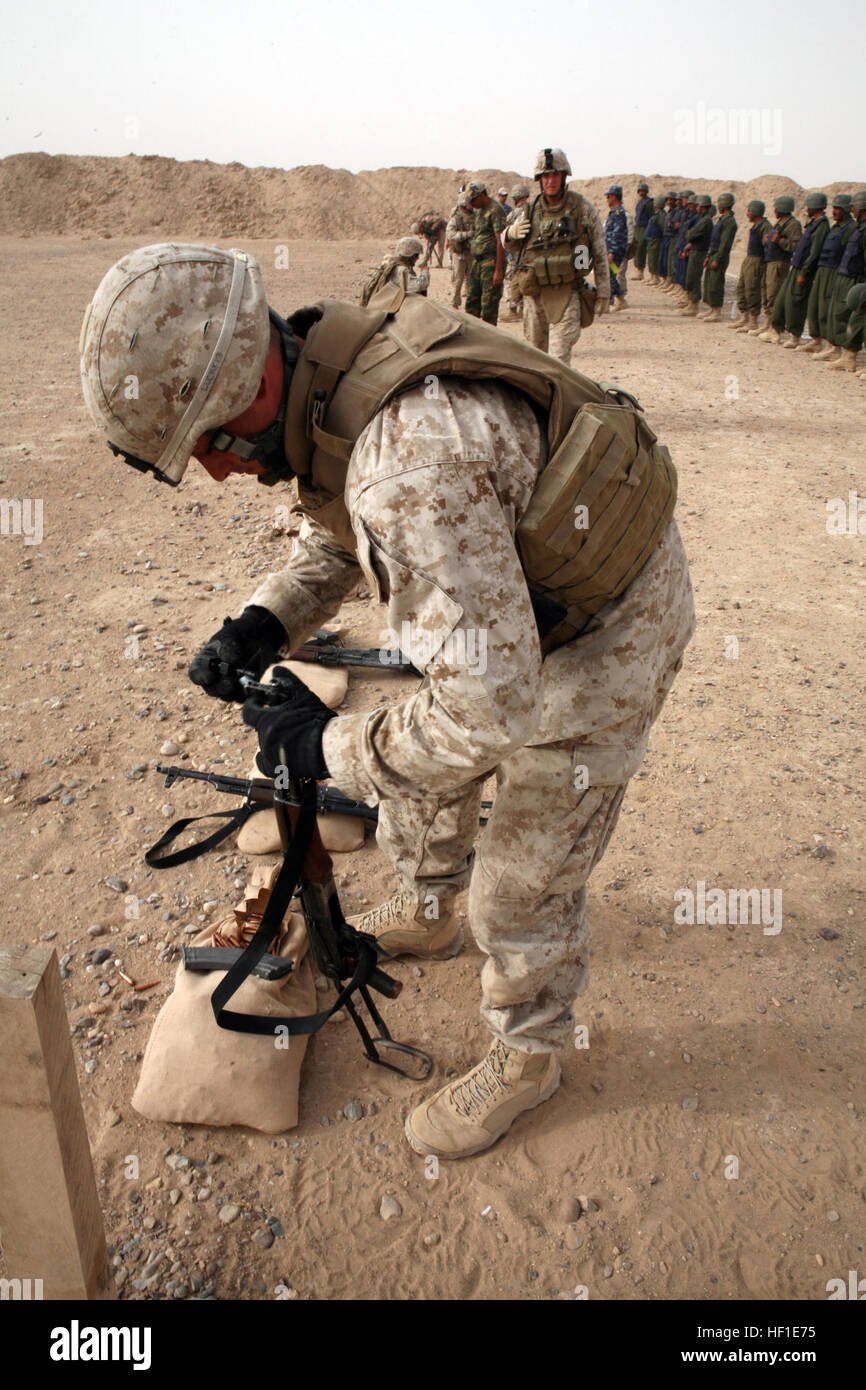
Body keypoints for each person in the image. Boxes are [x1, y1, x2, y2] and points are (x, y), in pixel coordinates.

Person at [80, 242, 695, 1160]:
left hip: (605, 630)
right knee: (423, 742)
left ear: (241, 391)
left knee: (522, 884)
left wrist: (324, 748)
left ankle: (529, 1053)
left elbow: (489, 713)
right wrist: (264, 619)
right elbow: (338, 537)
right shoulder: (319, 371)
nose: (213, 472)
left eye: (208, 445)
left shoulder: (408, 464)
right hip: (506, 597)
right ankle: (431, 905)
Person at [504, 147, 610, 363]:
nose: (550, 181)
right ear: (539, 179)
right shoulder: (530, 209)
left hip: (567, 293)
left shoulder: (582, 208)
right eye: (545, 176)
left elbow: (599, 251)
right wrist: (510, 234)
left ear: (563, 176)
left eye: (555, 175)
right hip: (534, 295)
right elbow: (512, 245)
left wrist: (604, 292)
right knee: (536, 360)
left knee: (559, 363)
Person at [772, 192, 829, 349]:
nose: (806, 209)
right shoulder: (813, 224)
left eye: (808, 206)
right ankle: (778, 331)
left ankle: (795, 336)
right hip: (796, 267)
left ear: (815, 207)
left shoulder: (822, 226)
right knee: (783, 300)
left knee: (796, 303)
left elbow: (814, 253)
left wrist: (804, 273)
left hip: (804, 270)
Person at [806, 194, 855, 362]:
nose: (834, 211)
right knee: (817, 307)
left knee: (829, 309)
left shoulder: (850, 228)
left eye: (838, 208)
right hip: (823, 270)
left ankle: (833, 347)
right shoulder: (835, 227)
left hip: (835, 272)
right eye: (833, 208)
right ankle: (820, 342)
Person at [826, 191, 866, 367]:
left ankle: (849, 357)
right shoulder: (860, 228)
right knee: (842, 315)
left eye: (854, 208)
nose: (853, 211)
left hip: (856, 280)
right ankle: (845, 355)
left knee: (852, 319)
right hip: (847, 277)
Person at [757, 196, 802, 344]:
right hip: (771, 262)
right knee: (767, 293)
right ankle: (769, 325)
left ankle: (776, 330)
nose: (774, 210)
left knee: (774, 295)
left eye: (776, 207)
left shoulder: (793, 224)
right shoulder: (780, 223)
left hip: (779, 264)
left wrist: (779, 241)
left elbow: (795, 246)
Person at [465, 180, 507, 324]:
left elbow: (501, 240)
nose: (471, 204)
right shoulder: (479, 211)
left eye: (473, 200)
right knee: (471, 304)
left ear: (482, 195)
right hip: (478, 263)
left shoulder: (496, 210)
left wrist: (498, 270)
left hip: (491, 263)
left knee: (488, 307)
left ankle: (489, 344)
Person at [730, 200, 772, 333]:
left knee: (752, 289)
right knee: (742, 287)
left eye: (749, 211)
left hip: (757, 261)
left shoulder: (765, 226)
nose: (747, 214)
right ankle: (744, 316)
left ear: (755, 212)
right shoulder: (755, 226)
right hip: (749, 258)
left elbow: (768, 246)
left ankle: (753, 320)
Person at [359, 236, 429, 306]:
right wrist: (425, 272)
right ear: (410, 256)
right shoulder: (401, 269)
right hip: (387, 304)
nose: (418, 258)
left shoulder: (391, 263)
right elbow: (419, 285)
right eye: (416, 255)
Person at [699, 193, 737, 322]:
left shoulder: (730, 222)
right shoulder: (722, 219)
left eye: (720, 203)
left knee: (716, 284)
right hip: (714, 254)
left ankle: (717, 311)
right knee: (709, 282)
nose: (718, 206)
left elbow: (725, 243)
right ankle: (711, 308)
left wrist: (717, 259)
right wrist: (709, 256)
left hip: (719, 256)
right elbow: (714, 240)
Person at [679, 195, 714, 317]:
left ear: (703, 207)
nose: (696, 207)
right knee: (690, 277)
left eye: (698, 205)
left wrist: (689, 235)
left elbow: (690, 235)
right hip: (695, 249)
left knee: (694, 277)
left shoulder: (705, 221)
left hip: (699, 251)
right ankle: (690, 302)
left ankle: (694, 305)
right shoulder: (702, 219)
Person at [501, 183, 531, 318]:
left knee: (509, 280)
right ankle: (523, 309)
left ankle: (512, 309)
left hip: (515, 253)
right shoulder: (533, 211)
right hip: (529, 254)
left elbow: (505, 235)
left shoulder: (514, 214)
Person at [445, 195, 474, 310]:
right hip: (460, 253)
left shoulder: (475, 216)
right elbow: (450, 234)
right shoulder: (456, 218)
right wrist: (466, 235)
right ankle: (455, 303)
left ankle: (471, 305)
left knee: (472, 280)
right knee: (458, 280)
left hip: (472, 253)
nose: (471, 205)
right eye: (469, 203)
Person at [604, 184, 630, 310]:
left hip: (614, 252)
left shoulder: (618, 212)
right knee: (611, 274)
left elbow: (617, 233)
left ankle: (620, 298)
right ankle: (610, 300)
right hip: (612, 251)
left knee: (609, 274)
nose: (607, 199)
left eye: (608, 196)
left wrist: (611, 252)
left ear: (614, 197)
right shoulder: (615, 212)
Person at [632, 181, 653, 281]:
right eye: (640, 191)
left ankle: (641, 271)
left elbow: (651, 218)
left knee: (641, 249)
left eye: (643, 191)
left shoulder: (649, 203)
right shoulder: (640, 202)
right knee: (636, 249)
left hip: (645, 228)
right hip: (638, 228)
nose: (641, 193)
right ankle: (638, 270)